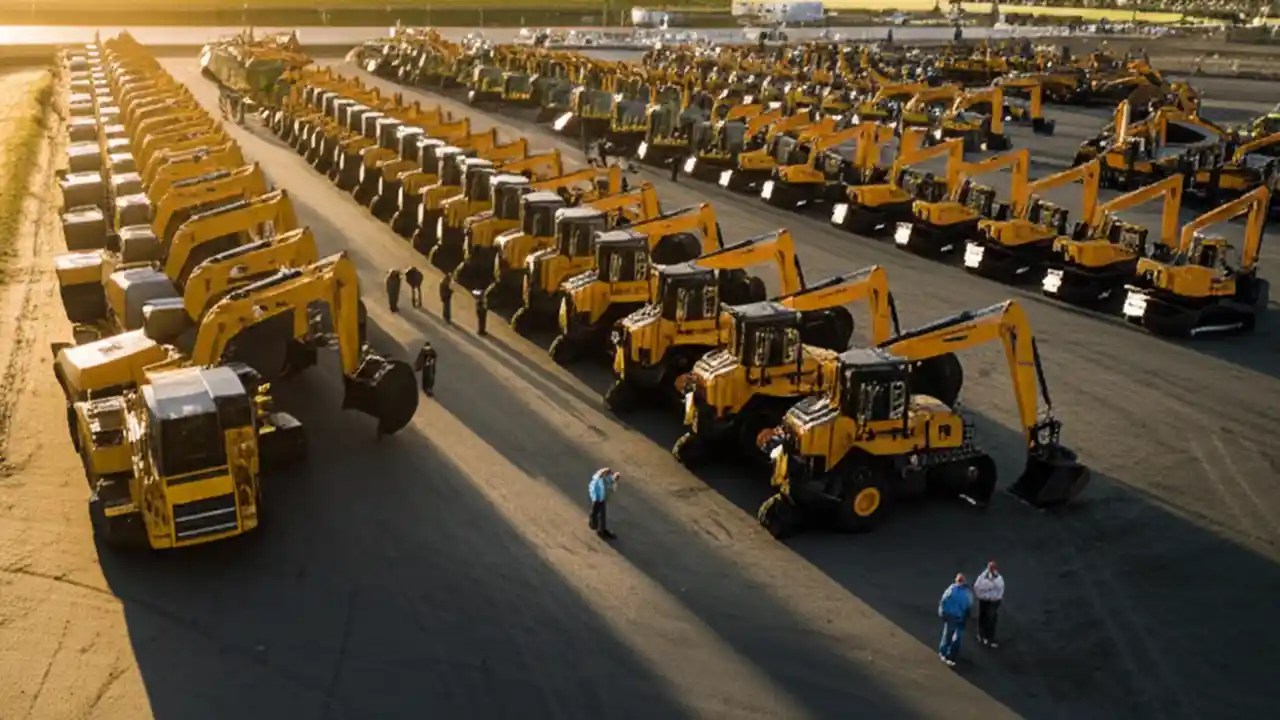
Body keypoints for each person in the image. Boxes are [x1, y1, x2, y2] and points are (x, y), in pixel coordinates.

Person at [938, 573, 972, 667]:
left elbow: (943, 602)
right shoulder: (965, 593)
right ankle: (948, 654)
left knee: (951, 636)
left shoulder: (951, 590)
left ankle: (947, 654)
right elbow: (968, 605)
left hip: (953, 616)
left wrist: (942, 612)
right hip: (957, 617)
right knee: (954, 636)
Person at [973, 561, 1005, 648]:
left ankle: (989, 637)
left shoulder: (998, 578)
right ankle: (981, 635)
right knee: (982, 617)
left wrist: (997, 598)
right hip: (984, 600)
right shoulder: (982, 577)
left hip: (994, 601)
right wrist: (981, 594)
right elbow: (977, 587)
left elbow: (1000, 588)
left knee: (991, 618)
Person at [587, 467, 620, 539]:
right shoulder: (598, 478)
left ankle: (599, 528)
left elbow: (613, 487)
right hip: (597, 498)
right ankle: (596, 527)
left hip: (602, 499)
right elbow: (598, 477)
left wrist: (615, 480)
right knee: (596, 512)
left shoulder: (607, 479)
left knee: (600, 514)